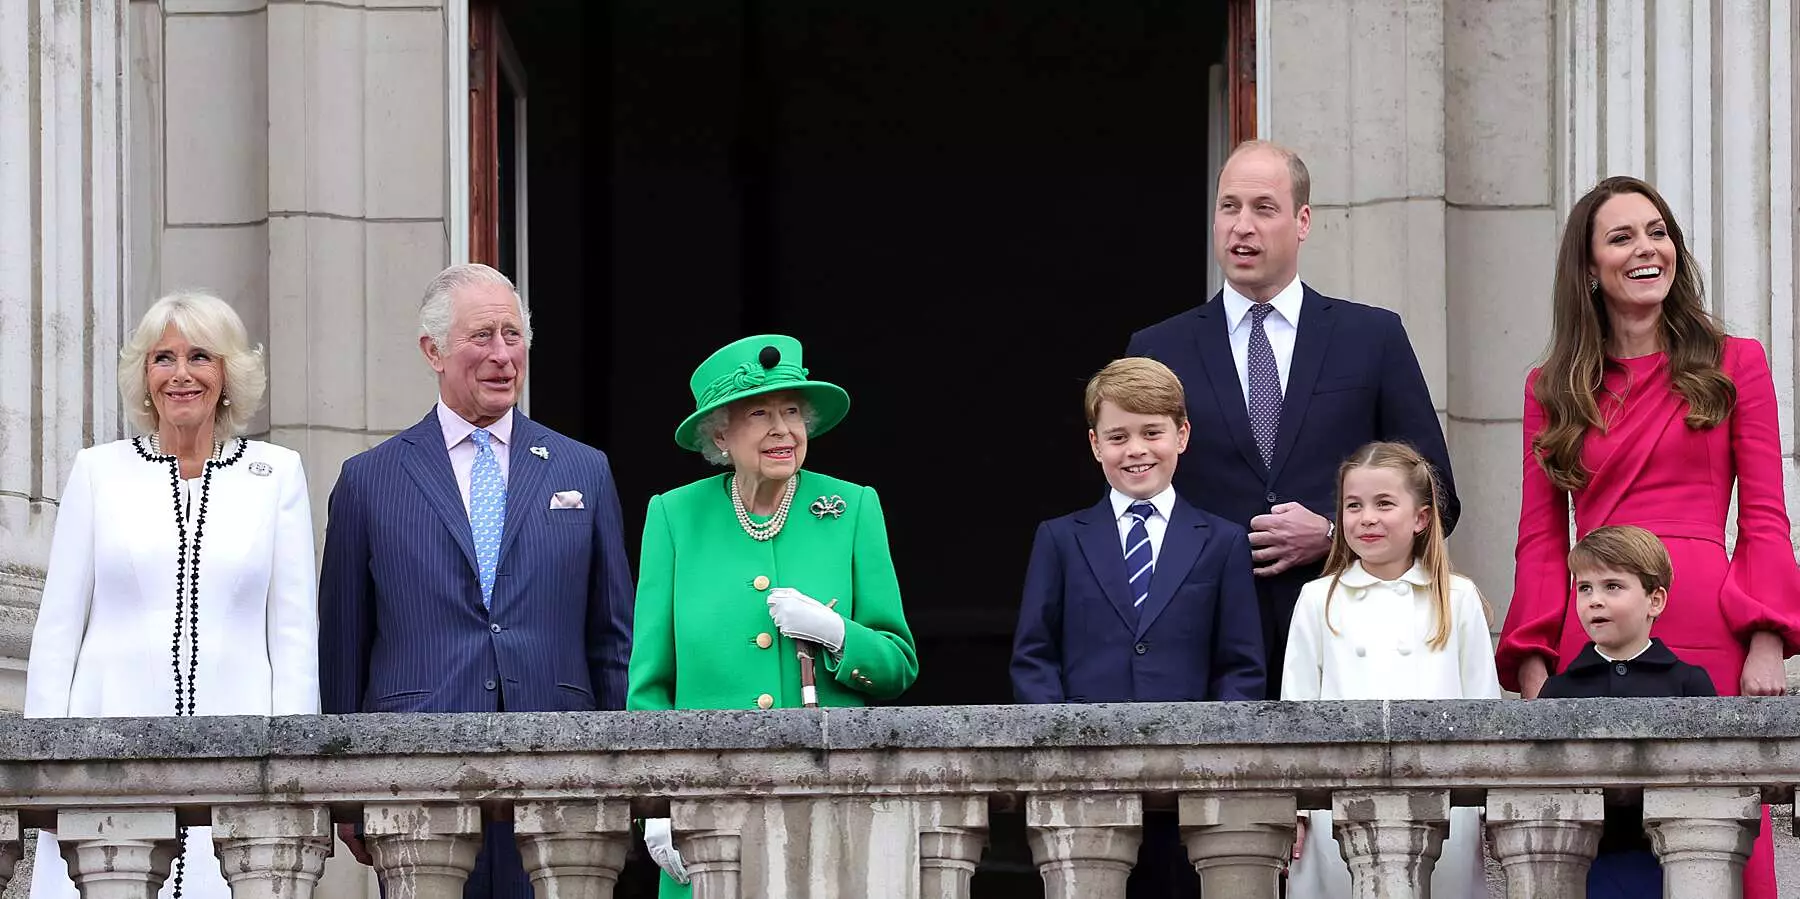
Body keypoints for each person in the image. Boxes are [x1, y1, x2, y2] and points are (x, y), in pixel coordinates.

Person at [1495, 175, 1799, 898]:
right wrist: (1536, 659)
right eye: (1623, 236)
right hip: (1592, 630)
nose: (1646, 248)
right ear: (1590, 268)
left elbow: (1765, 514)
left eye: (1657, 232)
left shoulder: (1736, 362)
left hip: (1707, 625)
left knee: (1717, 840)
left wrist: (1767, 638)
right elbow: (1539, 538)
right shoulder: (1551, 387)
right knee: (1596, 848)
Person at [318, 263, 634, 899]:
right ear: (432, 350)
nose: (502, 356)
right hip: (416, 774)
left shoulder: (585, 469)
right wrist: (345, 794)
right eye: (481, 337)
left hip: (558, 770)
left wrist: (618, 774)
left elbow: (612, 640)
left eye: (513, 336)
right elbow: (345, 648)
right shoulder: (368, 480)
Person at [1126, 140, 1458, 700]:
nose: (1242, 227)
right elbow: (1132, 506)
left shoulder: (1371, 338)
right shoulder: (1159, 349)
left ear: (1303, 221)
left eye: (1263, 207)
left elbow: (1440, 499)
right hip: (1201, 648)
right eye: (1229, 207)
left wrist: (1334, 536)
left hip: (1346, 640)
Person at [25, 291, 318, 899]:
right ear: (145, 375)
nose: (181, 375)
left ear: (228, 374)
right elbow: (57, 630)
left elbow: (293, 634)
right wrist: (43, 770)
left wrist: (297, 767)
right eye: (164, 358)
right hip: (105, 743)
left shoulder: (277, 474)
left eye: (200, 357)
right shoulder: (97, 473)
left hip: (239, 748)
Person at [627, 334, 919, 898]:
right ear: (719, 433)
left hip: (829, 807)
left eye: (792, 412)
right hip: (709, 812)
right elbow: (650, 687)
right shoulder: (673, 517)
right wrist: (657, 803)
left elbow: (897, 665)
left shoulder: (853, 507)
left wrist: (838, 636)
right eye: (759, 413)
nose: (782, 429)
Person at [1010, 356, 1263, 897]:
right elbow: (1035, 655)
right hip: (1087, 778)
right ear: (1096, 444)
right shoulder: (1059, 539)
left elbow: (1240, 666)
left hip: (1190, 788)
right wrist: (1061, 748)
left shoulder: (1221, 541)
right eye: (1118, 436)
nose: (1137, 450)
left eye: (1152, 432)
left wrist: (1212, 757)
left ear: (1183, 435)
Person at [1281, 441, 1497, 899]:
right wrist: (1296, 810)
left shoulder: (1457, 599)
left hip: (1443, 804)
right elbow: (1294, 711)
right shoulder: (1318, 599)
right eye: (1353, 505)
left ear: (1420, 518)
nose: (1367, 518)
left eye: (1384, 503)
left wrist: (1484, 809)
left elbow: (1485, 710)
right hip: (1337, 807)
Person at [1539, 525, 1716, 898]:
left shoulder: (1688, 683)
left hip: (1668, 864)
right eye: (1584, 588)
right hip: (1584, 866)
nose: (1594, 600)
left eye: (1612, 586)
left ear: (1655, 601)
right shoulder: (1559, 690)